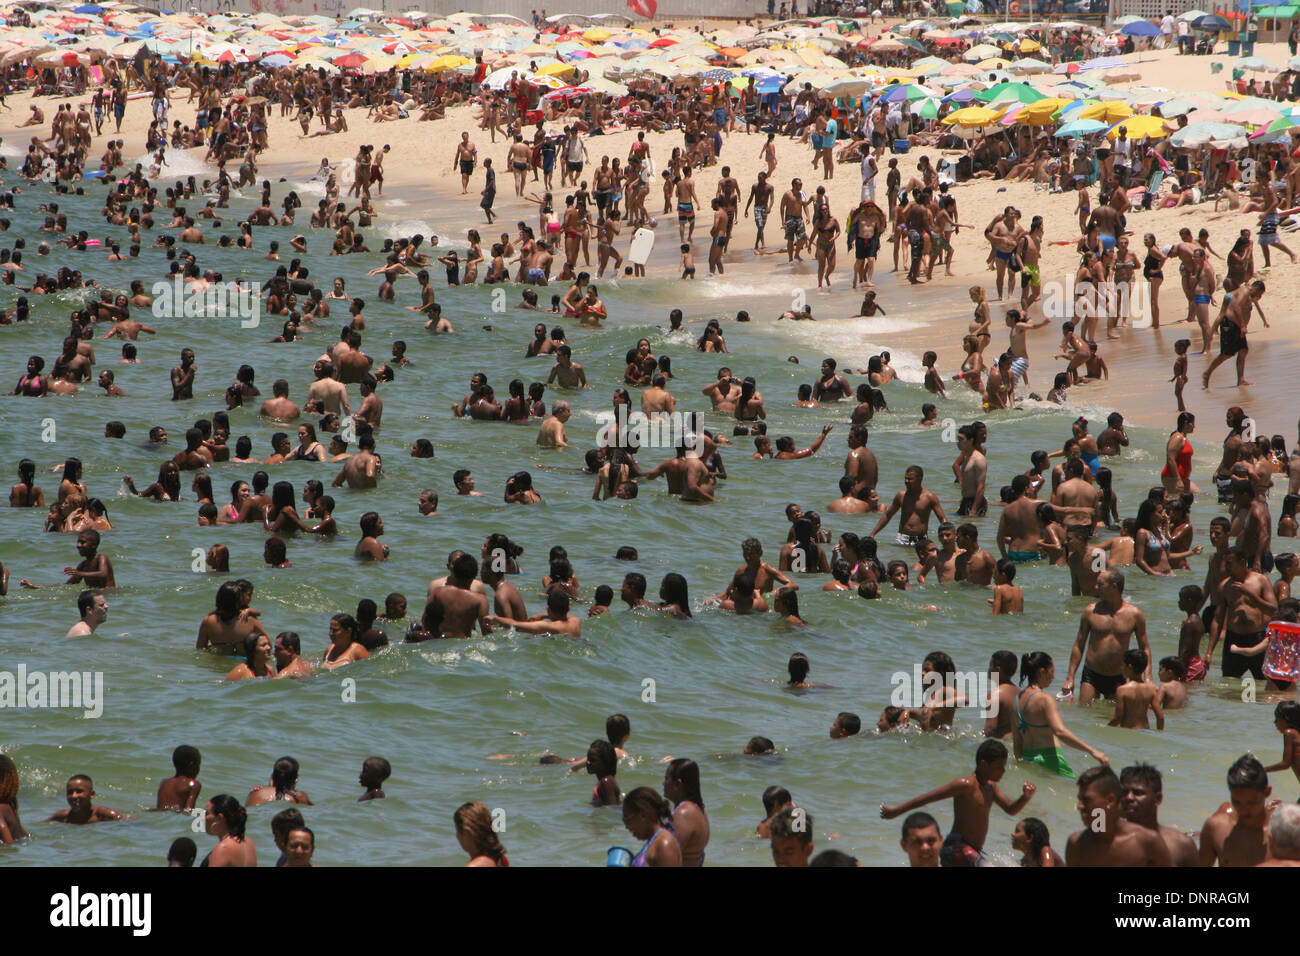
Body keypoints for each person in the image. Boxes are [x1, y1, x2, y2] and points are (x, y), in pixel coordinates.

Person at [880, 740, 1034, 867]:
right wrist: (896, 811)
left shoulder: (991, 787)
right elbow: (927, 798)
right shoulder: (966, 785)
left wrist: (1025, 797)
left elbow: (1011, 809)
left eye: (1004, 767)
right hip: (956, 847)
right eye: (998, 767)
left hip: (973, 851)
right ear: (983, 764)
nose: (1003, 771)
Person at [1061, 570, 1151, 704]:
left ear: (1114, 586)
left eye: (1100, 584)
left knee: (1113, 719)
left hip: (1118, 676)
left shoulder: (1135, 615)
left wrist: (1148, 677)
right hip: (1091, 674)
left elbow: (1144, 648)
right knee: (1085, 712)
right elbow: (1079, 645)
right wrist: (1070, 678)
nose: (1095, 588)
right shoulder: (1091, 611)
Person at [1014, 652, 1108, 778]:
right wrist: (1092, 751)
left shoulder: (1015, 701)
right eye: (1052, 672)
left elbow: (1017, 744)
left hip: (1027, 759)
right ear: (1042, 672)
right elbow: (1059, 731)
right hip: (1050, 759)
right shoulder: (1045, 699)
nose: (1053, 677)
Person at [1067, 767, 1172, 866]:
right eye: (1079, 799)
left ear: (1110, 800)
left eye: (1086, 800)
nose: (1079, 806)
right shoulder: (1077, 844)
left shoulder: (1146, 841)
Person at [1120, 764, 1200, 867]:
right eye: (1124, 792)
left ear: (1158, 799)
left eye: (1138, 793)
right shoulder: (1109, 843)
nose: (1129, 798)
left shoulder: (1181, 845)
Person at [1200, 754, 1272, 867]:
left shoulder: (1282, 833)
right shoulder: (1216, 828)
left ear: (1267, 792)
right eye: (1237, 802)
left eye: (1251, 803)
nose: (1243, 810)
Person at [664, 758, 709, 867]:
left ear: (678, 784)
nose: (663, 783)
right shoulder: (699, 811)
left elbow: (666, 858)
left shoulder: (684, 814)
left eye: (666, 778)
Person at [622, 788, 682, 867]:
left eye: (626, 819)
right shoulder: (654, 841)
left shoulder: (664, 844)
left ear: (643, 815)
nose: (626, 826)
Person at [201, 795, 257, 867]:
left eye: (206, 814)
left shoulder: (223, 849)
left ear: (219, 818)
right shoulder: (248, 842)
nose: (203, 818)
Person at [46, 774, 126, 823]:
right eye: (70, 792)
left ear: (92, 794)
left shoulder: (105, 814)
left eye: (79, 791)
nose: (74, 796)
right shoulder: (62, 817)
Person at [454, 801, 509, 866]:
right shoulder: (500, 858)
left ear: (468, 833)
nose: (457, 836)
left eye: (458, 831)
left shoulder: (475, 865)